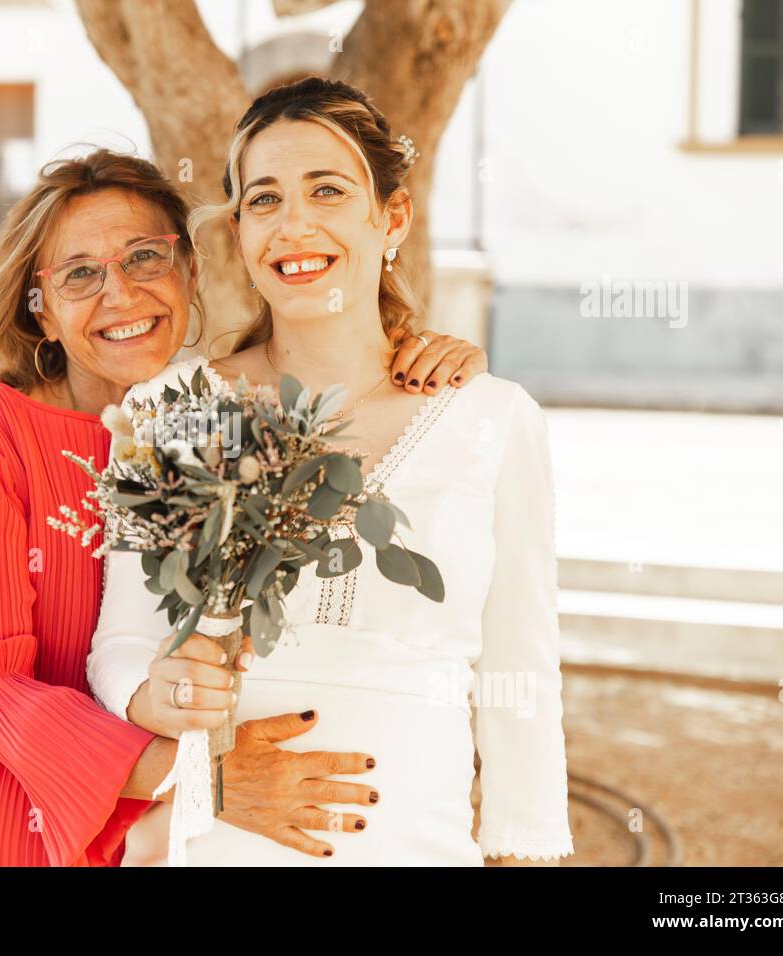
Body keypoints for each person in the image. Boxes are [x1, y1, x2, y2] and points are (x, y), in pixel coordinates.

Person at [0, 144, 489, 865]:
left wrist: (428, 360)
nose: (121, 295)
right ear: (40, 314)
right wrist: (200, 780)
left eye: (144, 259)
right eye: (80, 275)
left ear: (190, 271)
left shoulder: (213, 422)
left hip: (136, 843)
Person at [88, 77, 574, 866]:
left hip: (420, 840)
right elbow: (121, 644)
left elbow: (521, 670)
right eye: (266, 200)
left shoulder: (494, 419)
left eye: (328, 190)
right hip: (226, 843)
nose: (295, 224)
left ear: (393, 218)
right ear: (240, 232)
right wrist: (164, 694)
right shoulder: (173, 408)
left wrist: (524, 850)